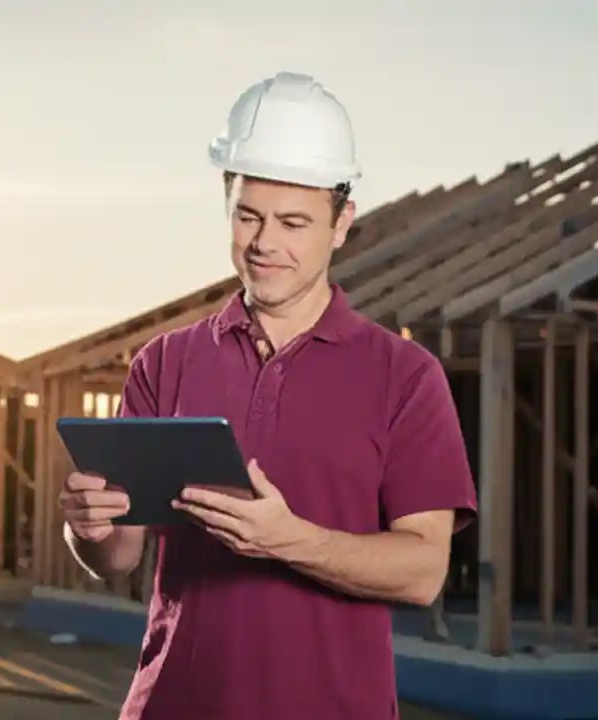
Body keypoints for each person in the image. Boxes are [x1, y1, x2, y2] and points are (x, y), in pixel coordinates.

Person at [58, 72, 478, 719]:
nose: (264, 243)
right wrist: (87, 528)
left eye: (293, 222)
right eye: (248, 215)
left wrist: (289, 540)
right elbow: (119, 555)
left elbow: (423, 572)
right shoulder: (164, 363)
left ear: (341, 224)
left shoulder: (405, 377)